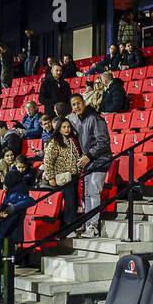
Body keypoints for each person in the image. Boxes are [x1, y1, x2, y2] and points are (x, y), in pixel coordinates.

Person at [69, 93, 111, 238]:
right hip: (89, 163)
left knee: (93, 193)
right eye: (73, 105)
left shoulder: (95, 118)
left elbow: (103, 142)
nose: (76, 106)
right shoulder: (79, 121)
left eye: (78, 103)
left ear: (84, 103)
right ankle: (88, 225)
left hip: (100, 161)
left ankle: (93, 227)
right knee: (87, 195)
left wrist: (89, 155)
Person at [42, 116, 82, 222]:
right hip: (62, 177)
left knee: (72, 203)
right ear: (59, 128)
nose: (67, 129)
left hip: (73, 176)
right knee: (69, 203)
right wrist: (51, 177)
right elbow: (48, 160)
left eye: (68, 127)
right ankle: (68, 227)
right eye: (64, 127)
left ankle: (71, 225)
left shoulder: (71, 140)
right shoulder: (54, 141)